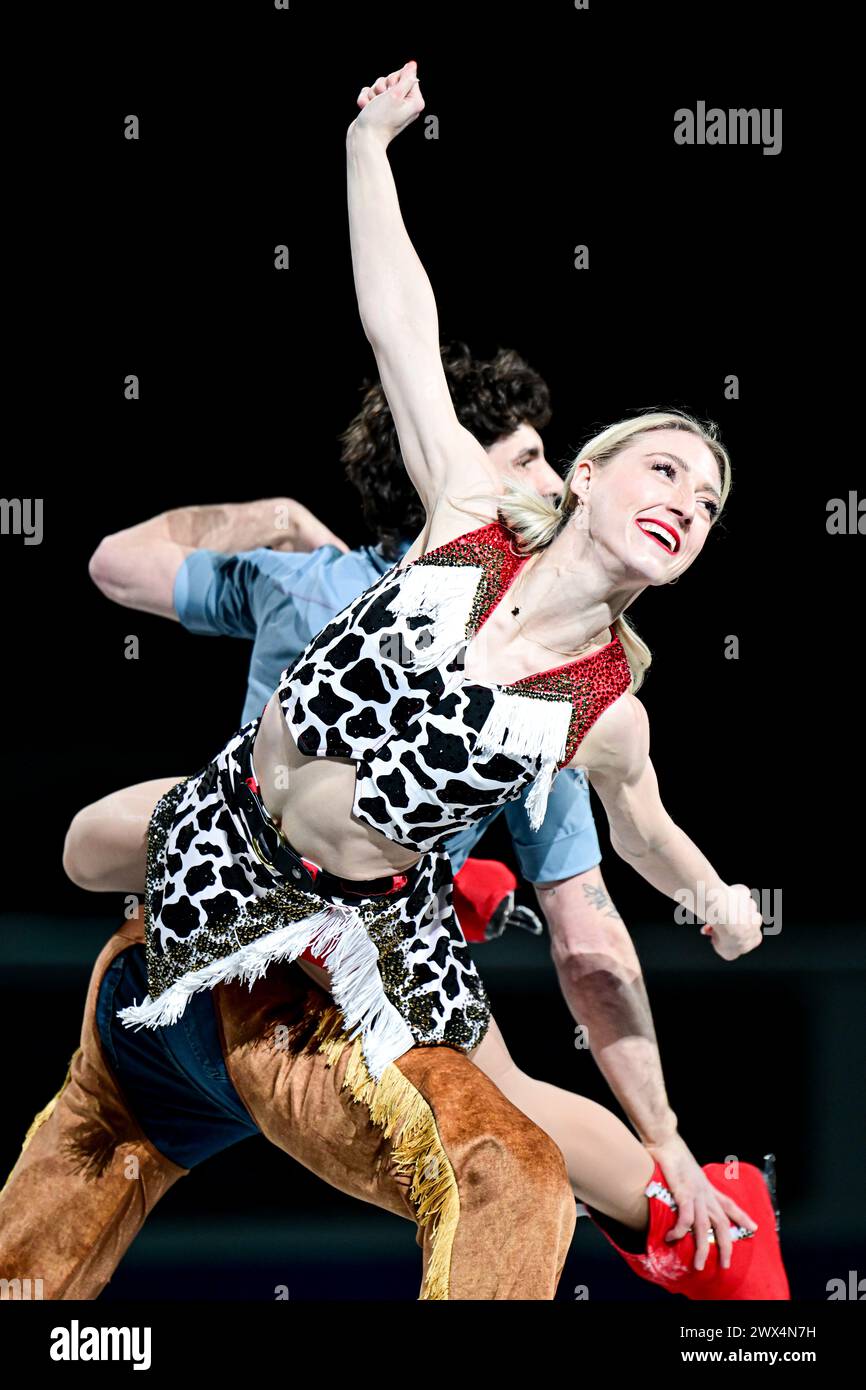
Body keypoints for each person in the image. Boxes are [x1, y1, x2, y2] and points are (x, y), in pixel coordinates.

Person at [0, 61, 790, 1303]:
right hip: (228, 816)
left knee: (510, 1116)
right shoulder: (463, 516)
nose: (685, 503)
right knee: (77, 854)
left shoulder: (605, 710)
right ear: (582, 475)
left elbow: (647, 839)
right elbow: (399, 322)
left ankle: (701, 1221)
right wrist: (369, 145)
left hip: (361, 915)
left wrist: (720, 903)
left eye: (705, 503)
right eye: (665, 470)